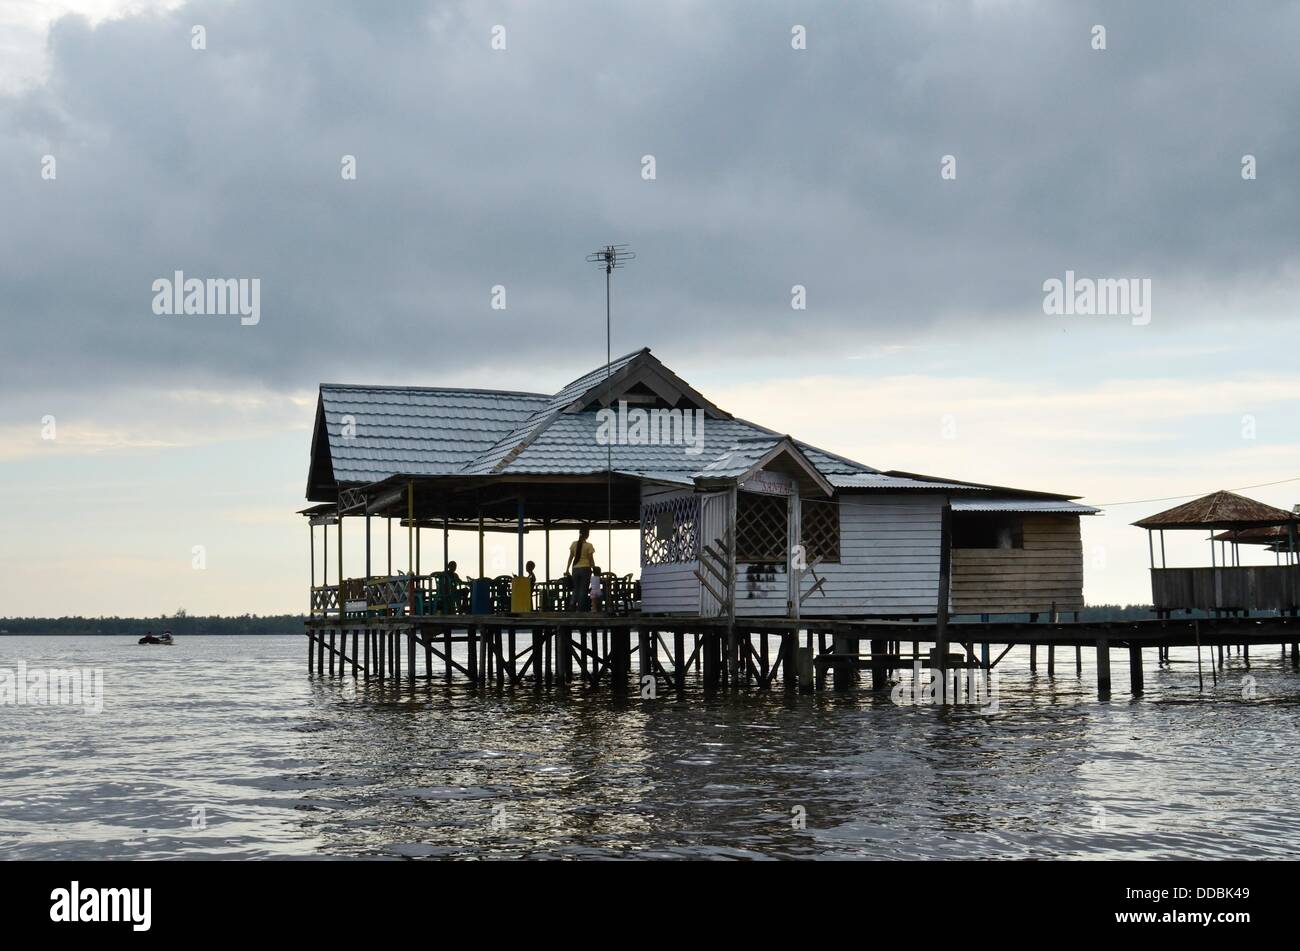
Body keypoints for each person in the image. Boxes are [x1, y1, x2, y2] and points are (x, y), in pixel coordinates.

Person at [565, 527, 595, 611]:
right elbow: (590, 559)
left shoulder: (573, 544)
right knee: (583, 590)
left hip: (575, 569)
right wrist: (594, 568)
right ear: (587, 535)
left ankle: (572, 605)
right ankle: (579, 609)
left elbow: (570, 558)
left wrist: (567, 569)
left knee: (576, 588)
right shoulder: (589, 545)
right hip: (585, 568)